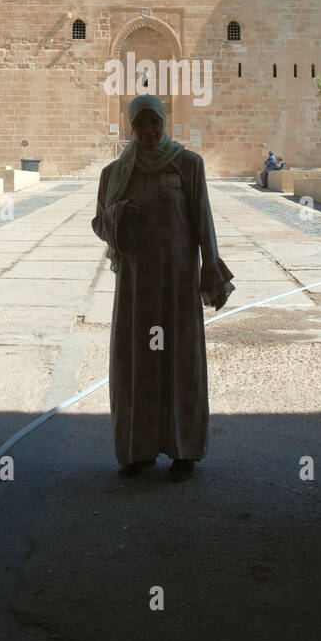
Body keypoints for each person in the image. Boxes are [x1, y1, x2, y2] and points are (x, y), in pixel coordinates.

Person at [91, 94, 235, 481]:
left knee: (180, 362)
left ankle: (183, 450)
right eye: (141, 124)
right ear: (131, 125)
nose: (149, 131)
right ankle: (136, 451)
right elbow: (99, 223)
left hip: (177, 285)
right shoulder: (115, 173)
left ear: (164, 122)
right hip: (136, 287)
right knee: (135, 364)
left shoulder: (188, 165)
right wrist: (118, 215)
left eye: (155, 123)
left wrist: (212, 272)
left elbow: (203, 222)